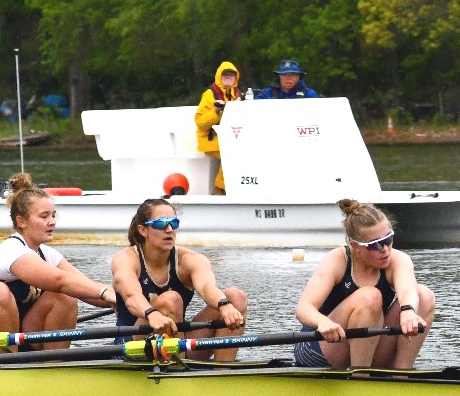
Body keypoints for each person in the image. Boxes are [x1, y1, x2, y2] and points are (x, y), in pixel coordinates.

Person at [0, 173, 117, 349]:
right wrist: (104, 293)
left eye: (53, 216)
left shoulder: (48, 254)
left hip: (21, 339)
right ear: (22, 221)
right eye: (44, 216)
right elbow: (60, 281)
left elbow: (86, 287)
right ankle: (7, 366)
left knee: (66, 296)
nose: (52, 222)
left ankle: (53, 365)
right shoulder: (10, 250)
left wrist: (129, 300)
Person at [294, 199, 435, 369]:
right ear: (355, 246)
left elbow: (407, 290)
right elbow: (303, 309)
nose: (385, 249)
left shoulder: (398, 260)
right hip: (319, 347)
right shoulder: (337, 260)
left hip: (366, 347)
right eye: (375, 245)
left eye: (388, 238)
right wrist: (323, 322)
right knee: (370, 296)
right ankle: (361, 379)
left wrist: (408, 311)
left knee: (424, 295)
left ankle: (402, 375)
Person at [110, 198, 249, 360]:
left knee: (235, 298)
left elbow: (206, 287)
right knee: (171, 300)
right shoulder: (126, 259)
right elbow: (131, 296)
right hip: (132, 345)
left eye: (174, 223)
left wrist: (225, 305)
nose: (169, 230)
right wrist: (152, 315)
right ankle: (178, 373)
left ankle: (224, 372)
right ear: (143, 230)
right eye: (161, 224)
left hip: (176, 340)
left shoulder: (190, 260)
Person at [193, 61, 241, 195]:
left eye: (231, 75)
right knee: (233, 153)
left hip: (230, 138)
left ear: (236, 78)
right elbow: (200, 123)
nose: (228, 77)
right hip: (210, 139)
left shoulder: (237, 94)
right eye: (225, 74)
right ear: (219, 76)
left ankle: (237, 187)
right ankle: (219, 189)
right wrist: (215, 111)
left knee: (243, 150)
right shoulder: (210, 94)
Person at [252, 59, 320, 100]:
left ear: (298, 76)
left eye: (292, 74)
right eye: (284, 74)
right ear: (279, 76)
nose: (288, 78)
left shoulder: (309, 94)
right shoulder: (266, 94)